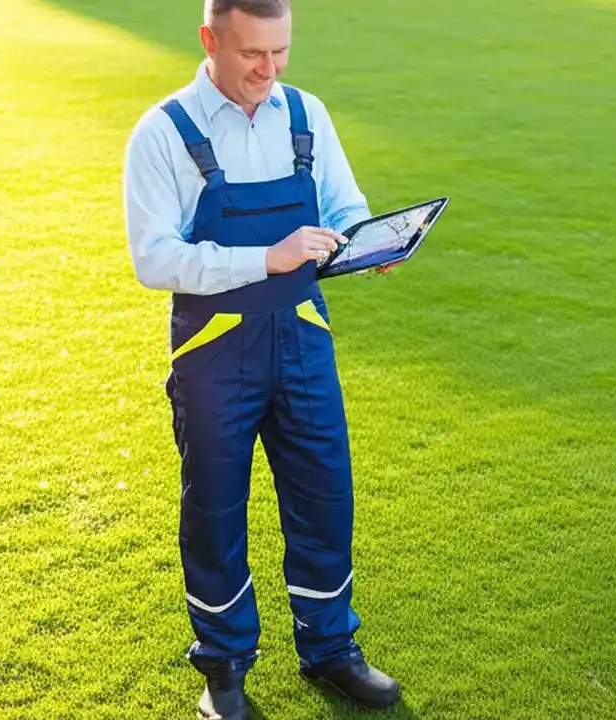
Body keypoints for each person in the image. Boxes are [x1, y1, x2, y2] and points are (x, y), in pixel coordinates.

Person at [121, 1, 400, 717]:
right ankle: (224, 671)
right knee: (214, 509)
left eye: (280, 54)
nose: (268, 72)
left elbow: (342, 204)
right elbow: (155, 259)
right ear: (210, 40)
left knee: (325, 497)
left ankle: (331, 650)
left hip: (304, 336)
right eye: (252, 55)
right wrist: (266, 258)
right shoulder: (162, 134)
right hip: (215, 352)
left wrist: (365, 244)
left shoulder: (304, 112)